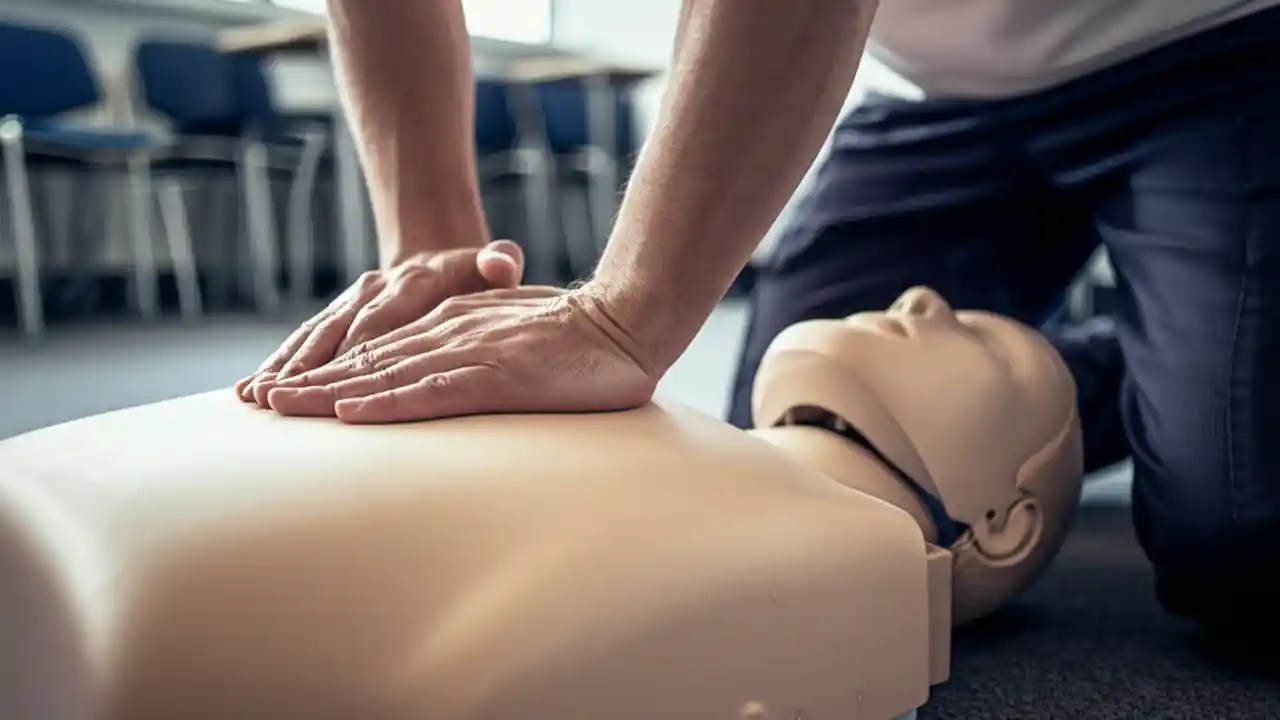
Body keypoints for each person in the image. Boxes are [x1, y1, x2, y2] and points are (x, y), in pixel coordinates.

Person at [235, 1, 1280, 631]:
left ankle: (1190, 379)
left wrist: (624, 314)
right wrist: (435, 251)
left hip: (1217, 49)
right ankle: (1164, 370)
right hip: (939, 93)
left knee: (1239, 546)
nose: (921, 310)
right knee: (805, 455)